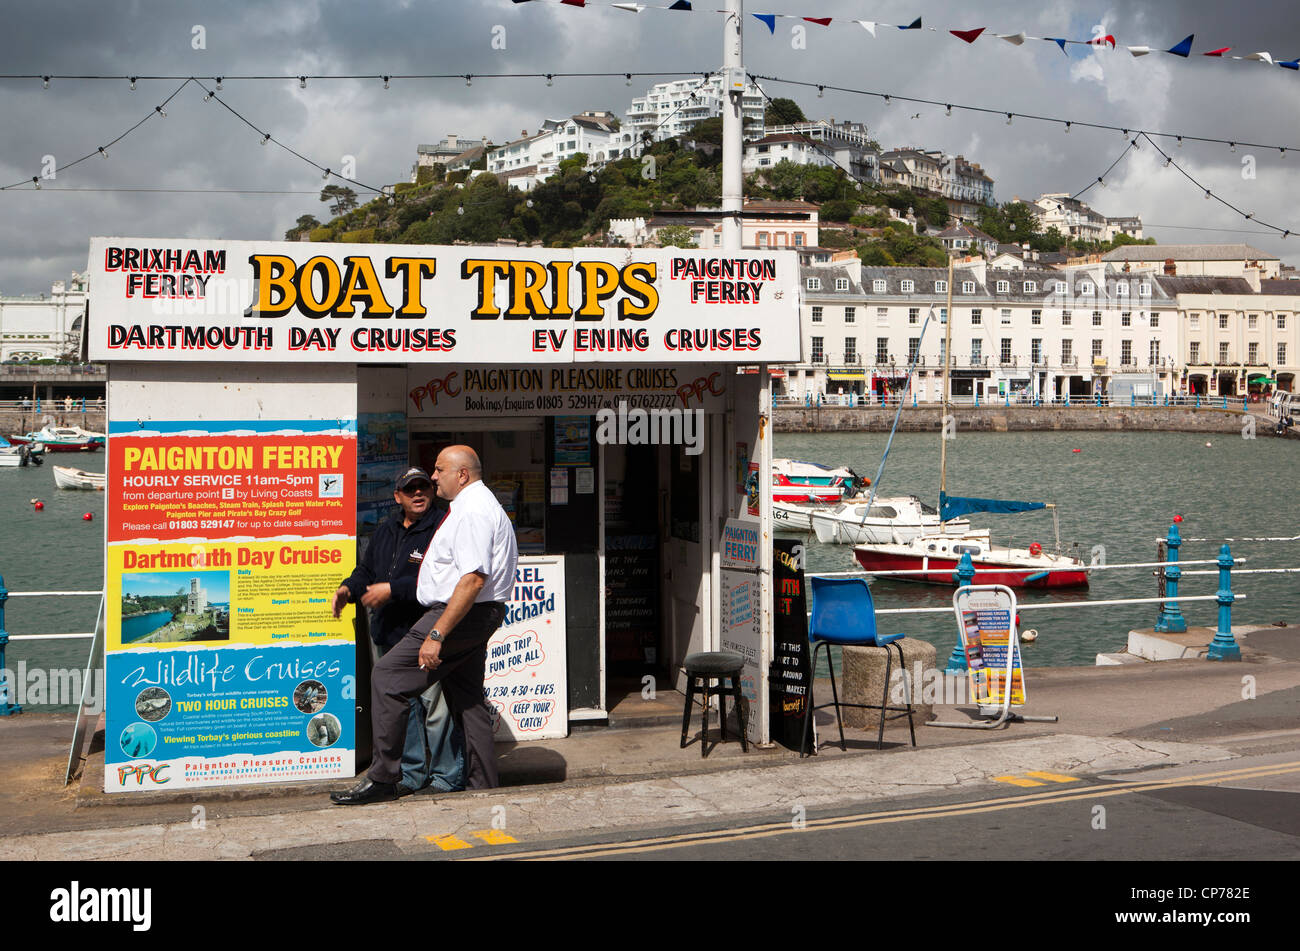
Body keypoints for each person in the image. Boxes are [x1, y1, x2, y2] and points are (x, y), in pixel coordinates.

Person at [332, 446, 518, 805]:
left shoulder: (474, 511)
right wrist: (351, 589)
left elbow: (473, 579)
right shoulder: (465, 508)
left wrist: (436, 633)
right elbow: (373, 571)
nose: (432, 479)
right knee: (467, 700)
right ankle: (483, 788)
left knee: (387, 677)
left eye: (438, 471)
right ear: (397, 496)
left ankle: (385, 776)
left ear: (461, 475)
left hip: (457, 612)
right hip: (470, 613)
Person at [331, 466, 464, 794]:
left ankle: (447, 778)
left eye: (423, 488)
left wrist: (392, 589)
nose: (418, 494)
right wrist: (348, 590)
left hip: (424, 630)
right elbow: (366, 569)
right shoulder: (386, 529)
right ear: (398, 496)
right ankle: (411, 775)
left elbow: (443, 581)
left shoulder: (442, 526)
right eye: (410, 490)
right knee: (401, 708)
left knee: (437, 708)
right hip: (388, 632)